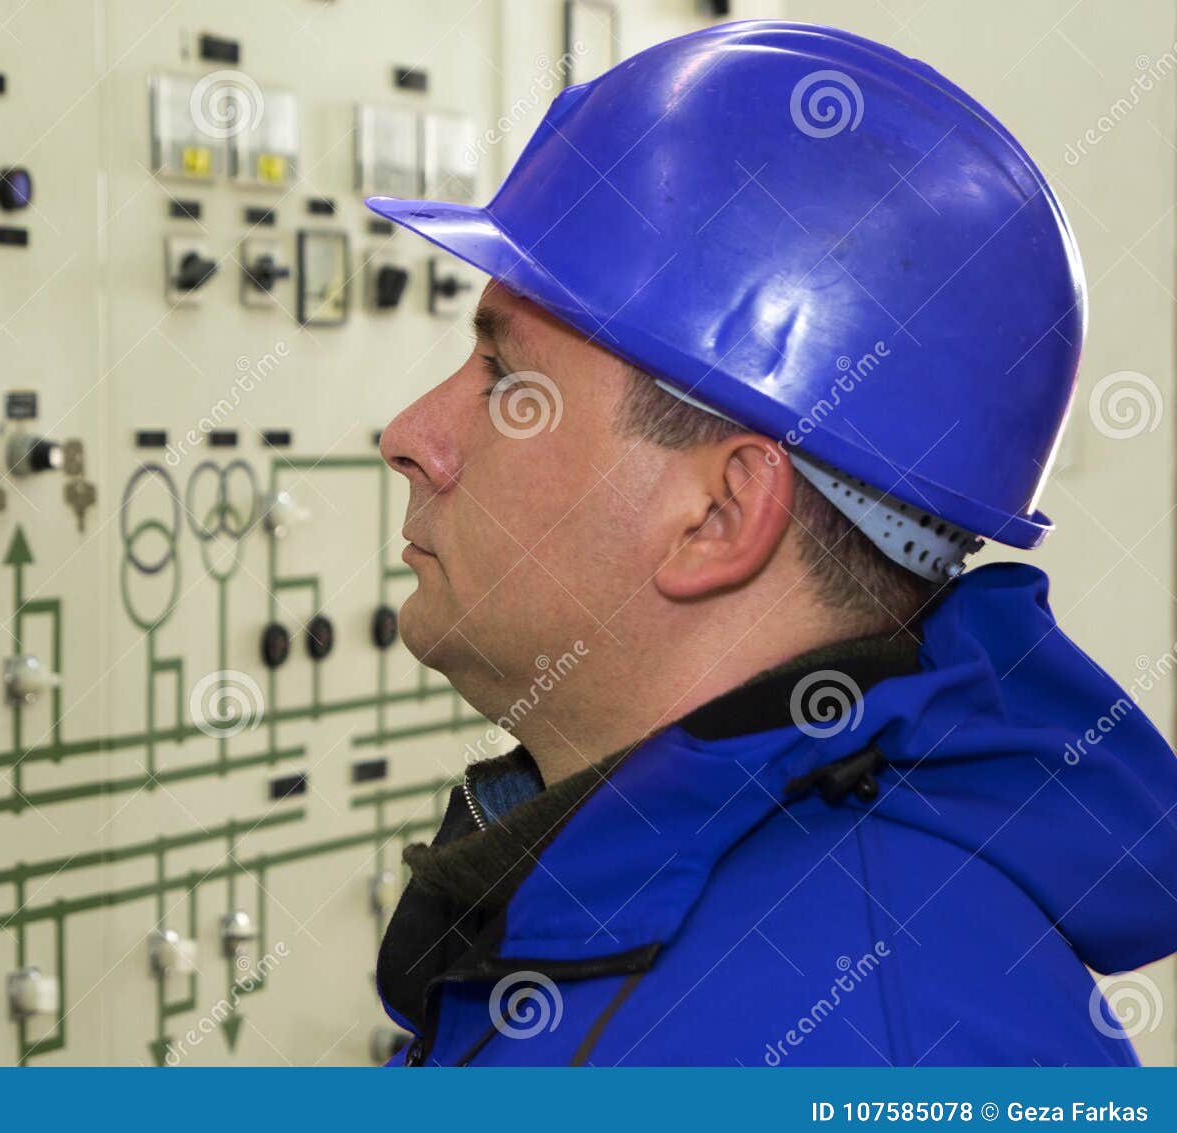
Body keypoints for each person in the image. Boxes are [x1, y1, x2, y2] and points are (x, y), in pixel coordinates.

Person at [367, 19, 1177, 1066]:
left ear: (716, 515)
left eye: (507, 383)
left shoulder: (873, 1037)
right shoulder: (641, 908)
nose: (410, 438)